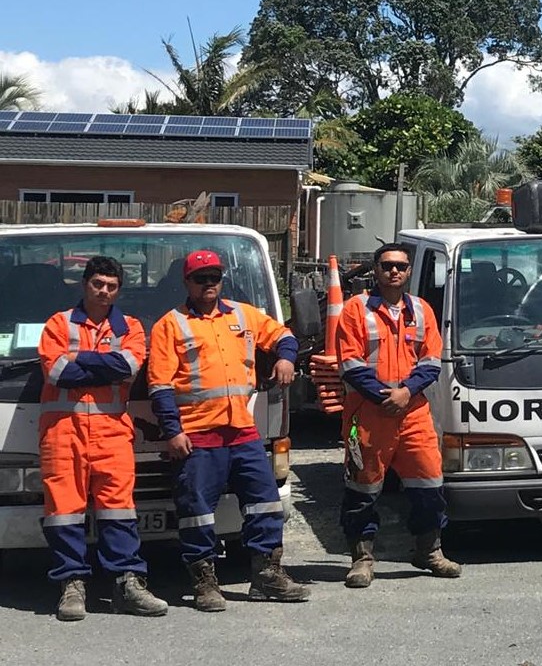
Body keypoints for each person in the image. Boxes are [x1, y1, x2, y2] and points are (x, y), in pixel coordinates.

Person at [148, 249, 310, 610]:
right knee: (197, 511)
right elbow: (159, 386)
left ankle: (267, 575)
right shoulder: (170, 325)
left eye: (214, 277)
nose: (209, 284)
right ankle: (205, 583)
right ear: (187, 282)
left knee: (266, 502)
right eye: (200, 278)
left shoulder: (243, 314)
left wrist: (286, 356)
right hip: (197, 434)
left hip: (242, 430)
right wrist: (173, 431)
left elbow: (282, 335)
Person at [37, 256, 168, 621]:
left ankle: (128, 584)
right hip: (63, 432)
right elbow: (58, 371)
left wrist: (83, 361)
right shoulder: (58, 323)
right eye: (98, 283)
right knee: (63, 513)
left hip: (112, 433)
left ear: (118, 289)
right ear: (85, 284)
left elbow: (128, 367)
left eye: (111, 286)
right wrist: (105, 363)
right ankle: (71, 586)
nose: (104, 291)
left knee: (119, 511)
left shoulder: (132, 326)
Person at [336, 243, 460, 587]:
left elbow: (431, 361)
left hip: (413, 412)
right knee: (362, 489)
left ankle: (429, 551)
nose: (394, 271)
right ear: (375, 270)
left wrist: (405, 393)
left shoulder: (421, 310)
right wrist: (384, 396)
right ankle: (362, 559)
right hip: (368, 415)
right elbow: (350, 363)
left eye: (401, 266)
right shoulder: (355, 310)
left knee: (430, 485)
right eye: (387, 265)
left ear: (408, 272)